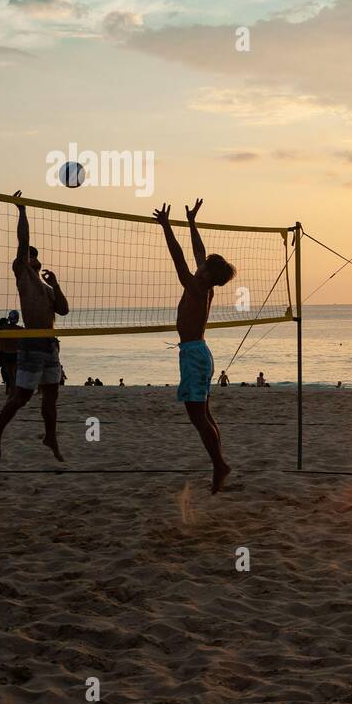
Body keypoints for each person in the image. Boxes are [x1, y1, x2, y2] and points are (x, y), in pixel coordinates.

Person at [154, 198, 237, 494]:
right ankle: (220, 463)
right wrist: (191, 222)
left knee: (197, 416)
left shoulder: (197, 286)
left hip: (194, 355)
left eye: (204, 269)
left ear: (209, 277)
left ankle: (219, 465)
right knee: (205, 415)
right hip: (198, 352)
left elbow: (178, 258)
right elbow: (199, 253)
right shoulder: (206, 282)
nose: (199, 268)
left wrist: (166, 227)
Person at [0, 194, 70, 461]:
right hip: (32, 344)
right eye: (30, 256)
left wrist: (56, 284)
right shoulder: (23, 274)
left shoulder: (46, 288)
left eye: (36, 257)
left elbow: (64, 309)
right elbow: (22, 242)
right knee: (21, 396)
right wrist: (22, 211)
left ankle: (50, 436)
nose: (35, 259)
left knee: (51, 395)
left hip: (50, 344)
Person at [0, 311, 21, 396]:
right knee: (14, 374)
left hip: (6, 354)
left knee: (11, 375)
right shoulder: (20, 329)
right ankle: (14, 391)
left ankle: (13, 391)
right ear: (17, 319)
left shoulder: (3, 328)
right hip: (15, 354)